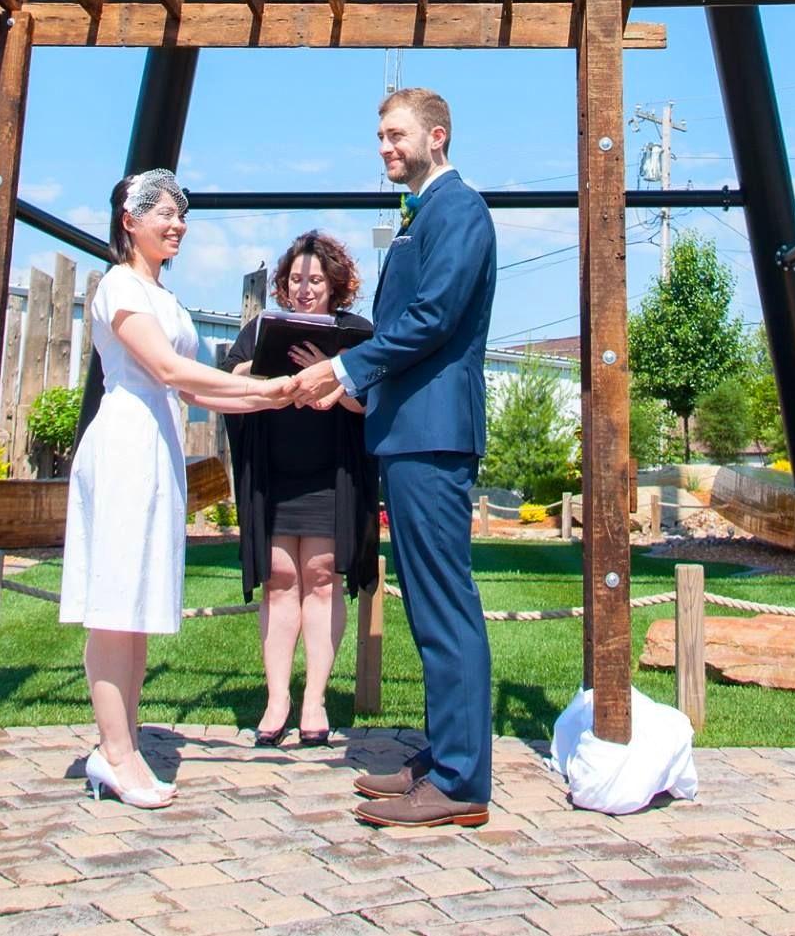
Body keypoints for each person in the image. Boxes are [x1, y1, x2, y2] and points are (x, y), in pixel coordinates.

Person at [292, 87, 498, 828]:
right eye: (380, 135)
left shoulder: (458, 209)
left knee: (444, 602)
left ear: (436, 136)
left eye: (396, 133)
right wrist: (362, 393)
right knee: (428, 601)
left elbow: (434, 316)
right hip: (407, 429)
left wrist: (347, 369)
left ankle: (461, 781)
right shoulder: (422, 214)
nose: (385, 146)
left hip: (434, 435)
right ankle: (444, 756)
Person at [60, 167, 294, 808]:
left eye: (181, 214)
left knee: (135, 605)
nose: (178, 225)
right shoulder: (118, 286)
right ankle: (116, 753)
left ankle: (122, 741)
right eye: (164, 213)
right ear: (129, 221)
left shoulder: (165, 297)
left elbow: (193, 390)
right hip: (124, 446)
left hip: (156, 449)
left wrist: (271, 397)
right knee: (116, 604)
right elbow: (166, 369)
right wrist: (270, 388)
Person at [222, 231, 379, 746]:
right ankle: (277, 700)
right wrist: (266, 372)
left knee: (321, 577)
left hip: (332, 477)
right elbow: (232, 380)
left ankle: (314, 700)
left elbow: (373, 404)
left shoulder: (357, 333)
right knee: (281, 579)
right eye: (295, 280)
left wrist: (329, 377)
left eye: (314, 280)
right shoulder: (261, 328)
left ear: (334, 284)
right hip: (273, 476)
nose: (304, 289)